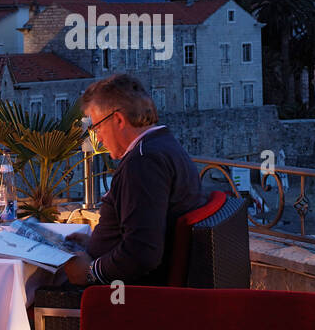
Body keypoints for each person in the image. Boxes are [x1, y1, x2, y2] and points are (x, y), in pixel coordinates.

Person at [61, 74, 206, 285]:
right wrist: (96, 243)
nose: (98, 138)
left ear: (118, 119)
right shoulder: (163, 145)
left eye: (97, 127)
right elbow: (145, 228)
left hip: (124, 295)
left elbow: (142, 252)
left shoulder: (143, 163)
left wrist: (90, 272)